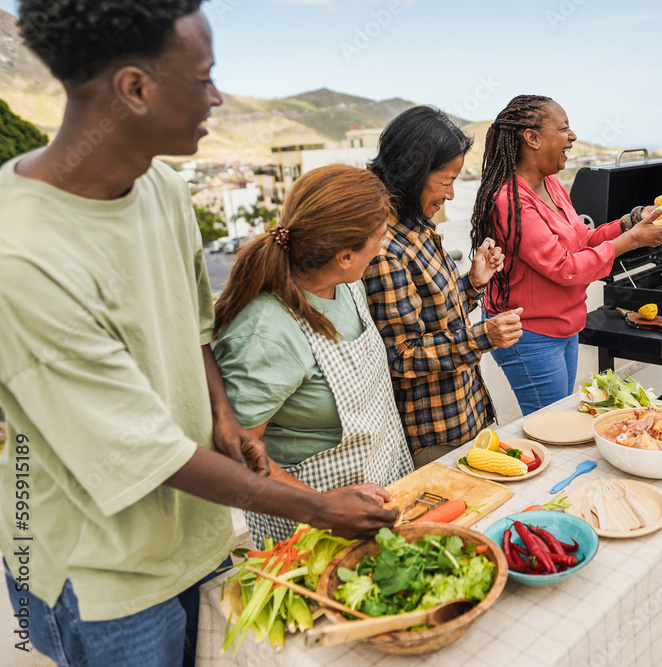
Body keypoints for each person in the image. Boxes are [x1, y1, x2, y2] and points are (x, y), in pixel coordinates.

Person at [0, 3, 396, 665]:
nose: (216, 96)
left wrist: (221, 413)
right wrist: (319, 508)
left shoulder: (160, 186)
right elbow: (144, 454)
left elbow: (196, 327)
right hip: (106, 575)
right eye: (204, 77)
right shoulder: (23, 255)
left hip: (196, 531)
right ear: (135, 88)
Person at [213, 164, 413, 547]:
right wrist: (321, 506)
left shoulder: (347, 285)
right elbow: (237, 452)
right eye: (379, 237)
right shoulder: (268, 333)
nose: (383, 247)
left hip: (383, 475)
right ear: (343, 255)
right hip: (310, 521)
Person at [470, 94, 662, 416]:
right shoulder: (510, 201)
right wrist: (632, 241)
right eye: (564, 128)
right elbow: (564, 267)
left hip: (566, 325)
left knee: (561, 418)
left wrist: (630, 221)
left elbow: (582, 239)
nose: (572, 137)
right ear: (532, 138)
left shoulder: (552, 185)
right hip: (530, 334)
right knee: (551, 425)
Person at [365, 106, 521, 466]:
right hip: (434, 436)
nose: (450, 195)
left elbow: (434, 314)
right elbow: (402, 356)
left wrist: (473, 283)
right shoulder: (385, 249)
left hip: (468, 411)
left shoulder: (418, 227)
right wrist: (485, 336)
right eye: (447, 180)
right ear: (414, 173)